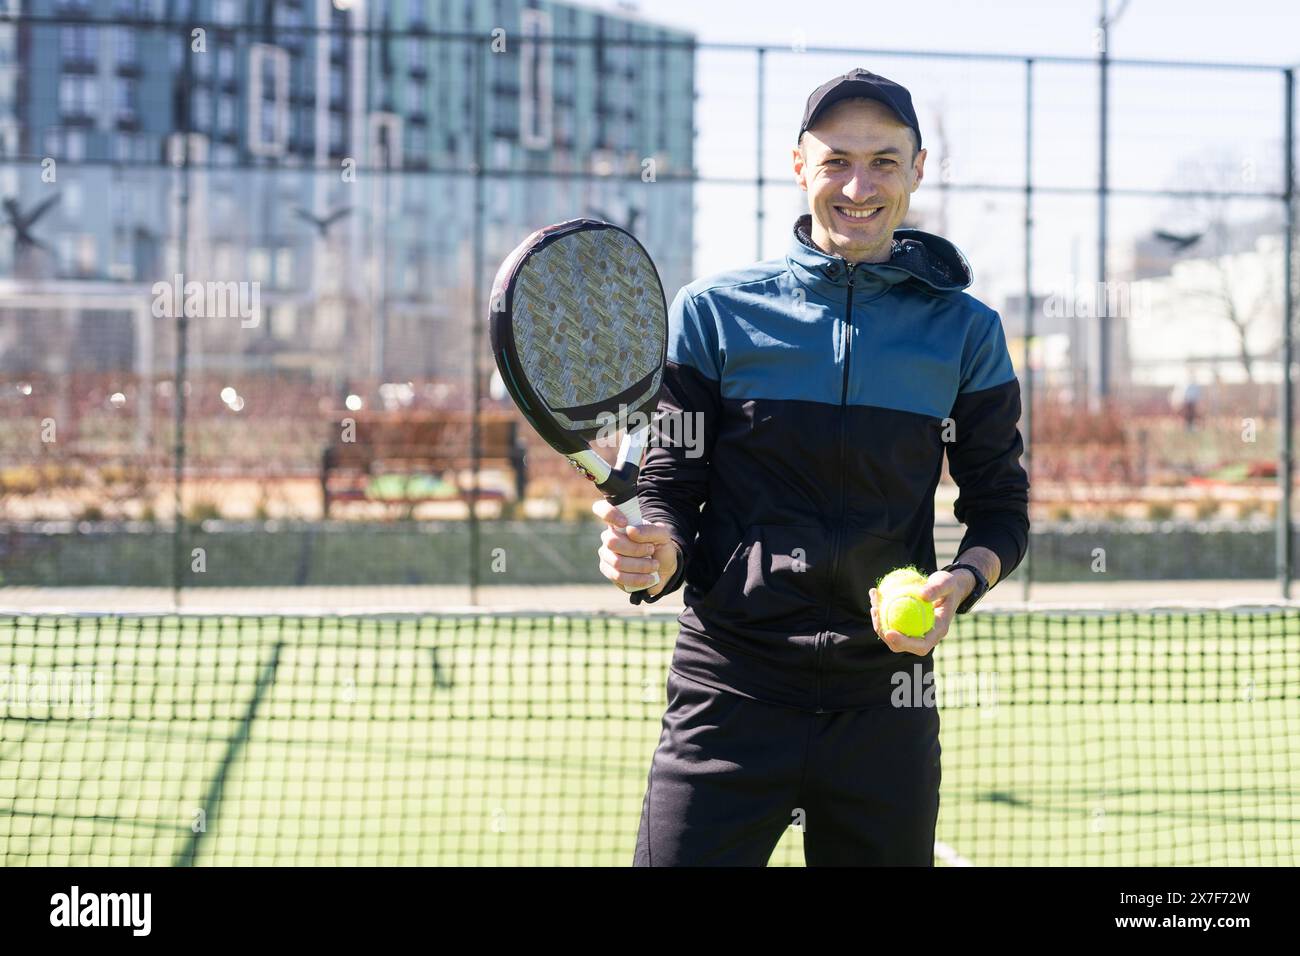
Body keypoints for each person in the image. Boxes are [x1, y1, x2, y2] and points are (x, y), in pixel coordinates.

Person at [594, 68, 1029, 866]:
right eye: (836, 161)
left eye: (885, 161)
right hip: (728, 694)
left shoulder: (967, 333)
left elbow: (1002, 508)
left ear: (918, 170)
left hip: (886, 702)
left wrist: (960, 584)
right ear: (800, 167)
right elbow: (669, 488)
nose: (858, 185)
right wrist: (653, 550)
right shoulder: (712, 313)